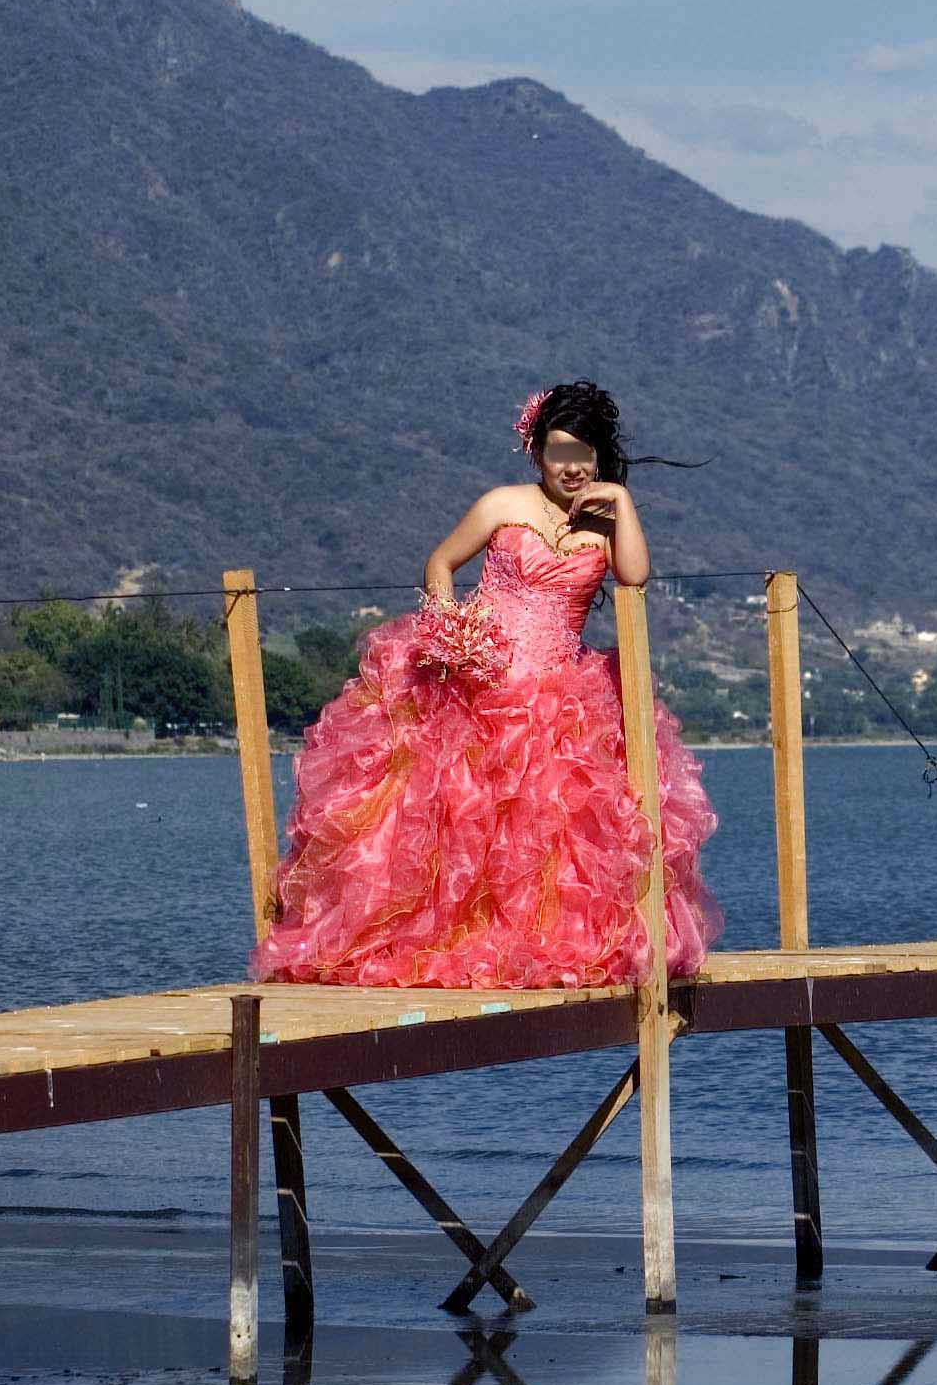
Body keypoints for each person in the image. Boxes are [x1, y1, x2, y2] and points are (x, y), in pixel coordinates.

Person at [251, 381, 724, 989]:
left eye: (583, 453)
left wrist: (621, 503)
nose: (571, 466)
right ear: (537, 452)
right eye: (558, 452)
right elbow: (441, 563)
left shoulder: (607, 522)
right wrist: (451, 630)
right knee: (455, 822)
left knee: (547, 836)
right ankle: (440, 946)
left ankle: (532, 950)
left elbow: (635, 574)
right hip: (479, 684)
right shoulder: (502, 504)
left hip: (561, 693)